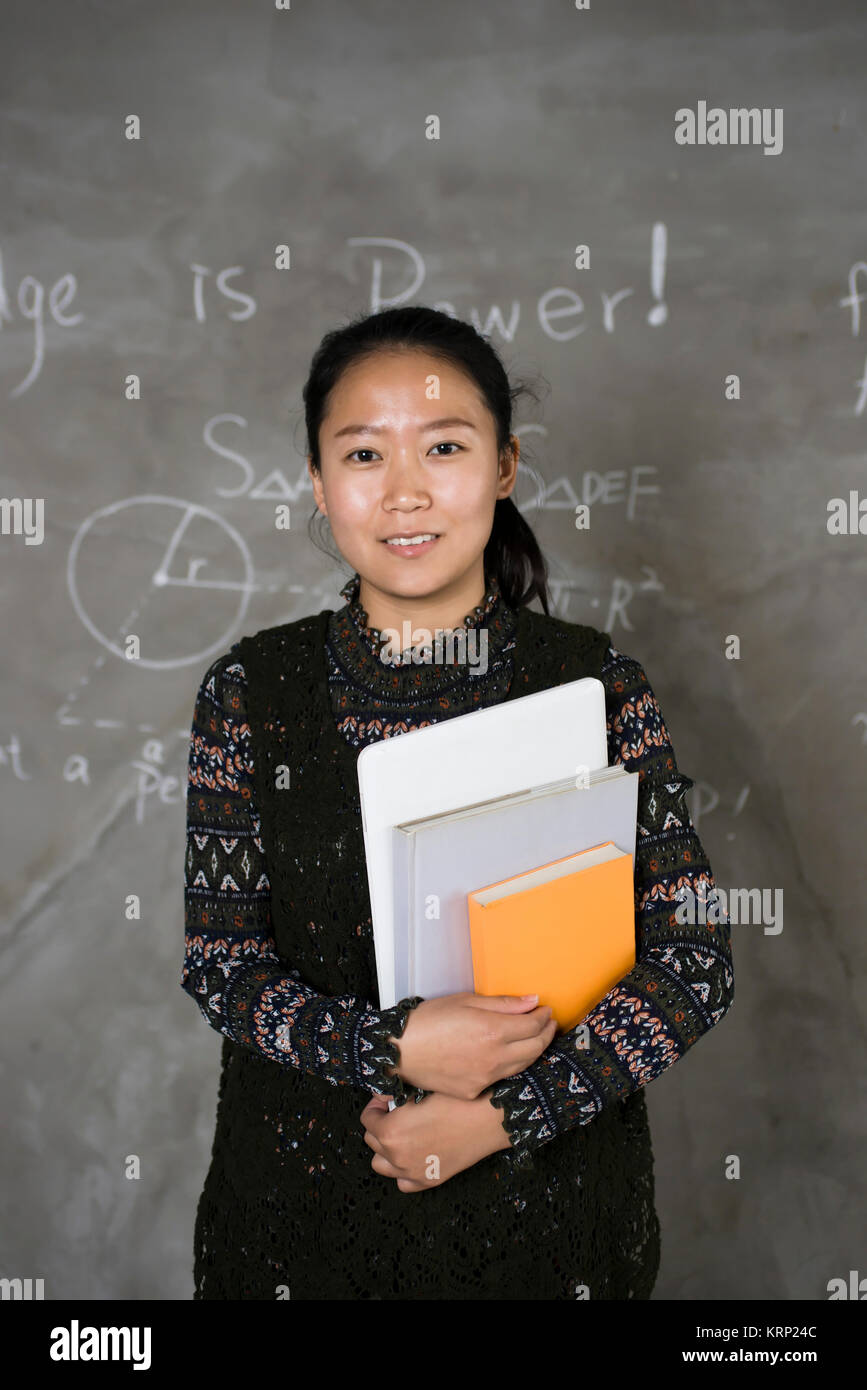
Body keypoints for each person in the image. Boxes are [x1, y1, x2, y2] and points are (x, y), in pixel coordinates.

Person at [181, 304, 735, 1300]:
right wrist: (391, 1043)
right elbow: (222, 966)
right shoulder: (250, 693)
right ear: (316, 478)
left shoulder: (594, 686)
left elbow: (694, 962)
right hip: (298, 1234)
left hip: (556, 1232)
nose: (404, 493)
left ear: (505, 465)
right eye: (362, 455)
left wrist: (500, 1116)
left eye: (444, 446)